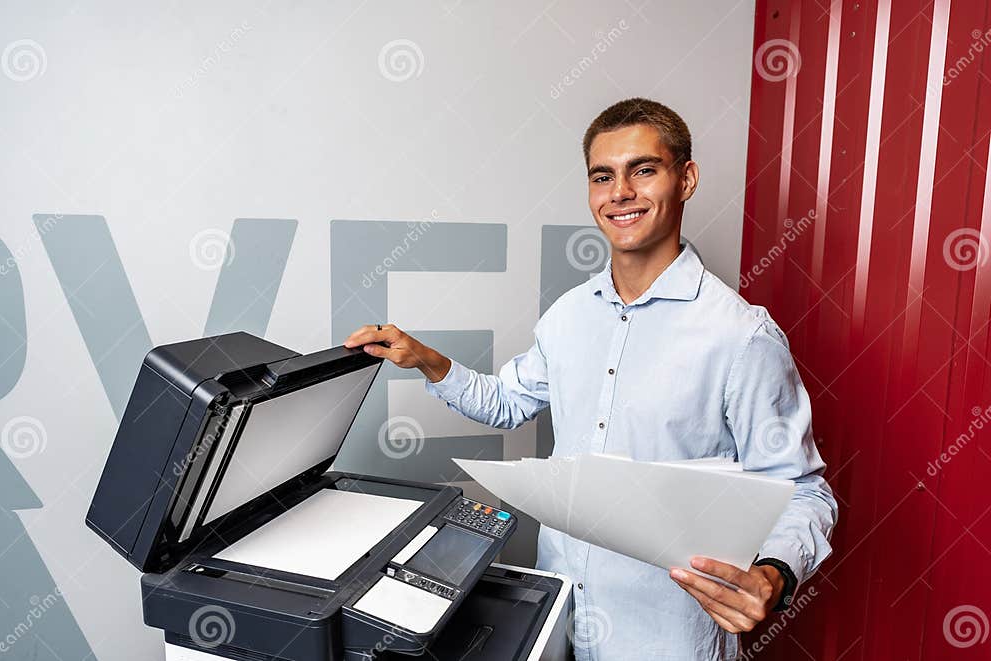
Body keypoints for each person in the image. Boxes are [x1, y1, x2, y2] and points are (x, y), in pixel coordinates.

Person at [344, 97, 837, 660]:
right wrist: (425, 358)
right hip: (559, 621)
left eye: (643, 170)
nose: (620, 192)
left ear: (687, 179)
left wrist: (774, 575)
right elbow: (507, 403)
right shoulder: (569, 315)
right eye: (603, 176)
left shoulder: (741, 336)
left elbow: (802, 489)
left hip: (668, 637)